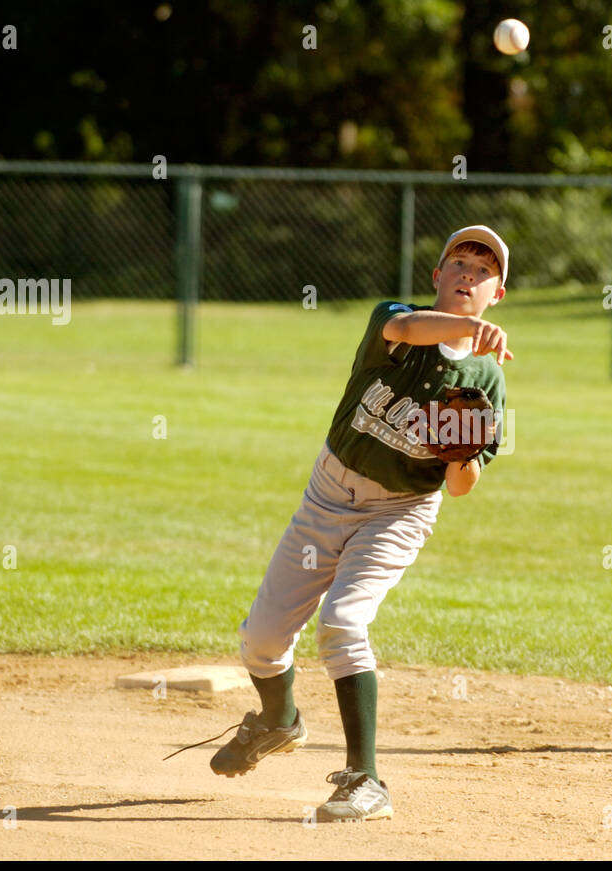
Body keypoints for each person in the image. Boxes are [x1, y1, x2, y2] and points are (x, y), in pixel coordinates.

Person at [211, 225, 512, 819]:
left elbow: (462, 485)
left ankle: (366, 782)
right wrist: (468, 331)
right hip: (328, 494)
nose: (468, 275)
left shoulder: (487, 381)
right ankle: (279, 721)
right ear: (437, 275)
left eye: (483, 271)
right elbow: (406, 328)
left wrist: (459, 456)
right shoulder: (395, 321)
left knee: (343, 622)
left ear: (497, 293)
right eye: (460, 261)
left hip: (400, 510)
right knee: (262, 640)